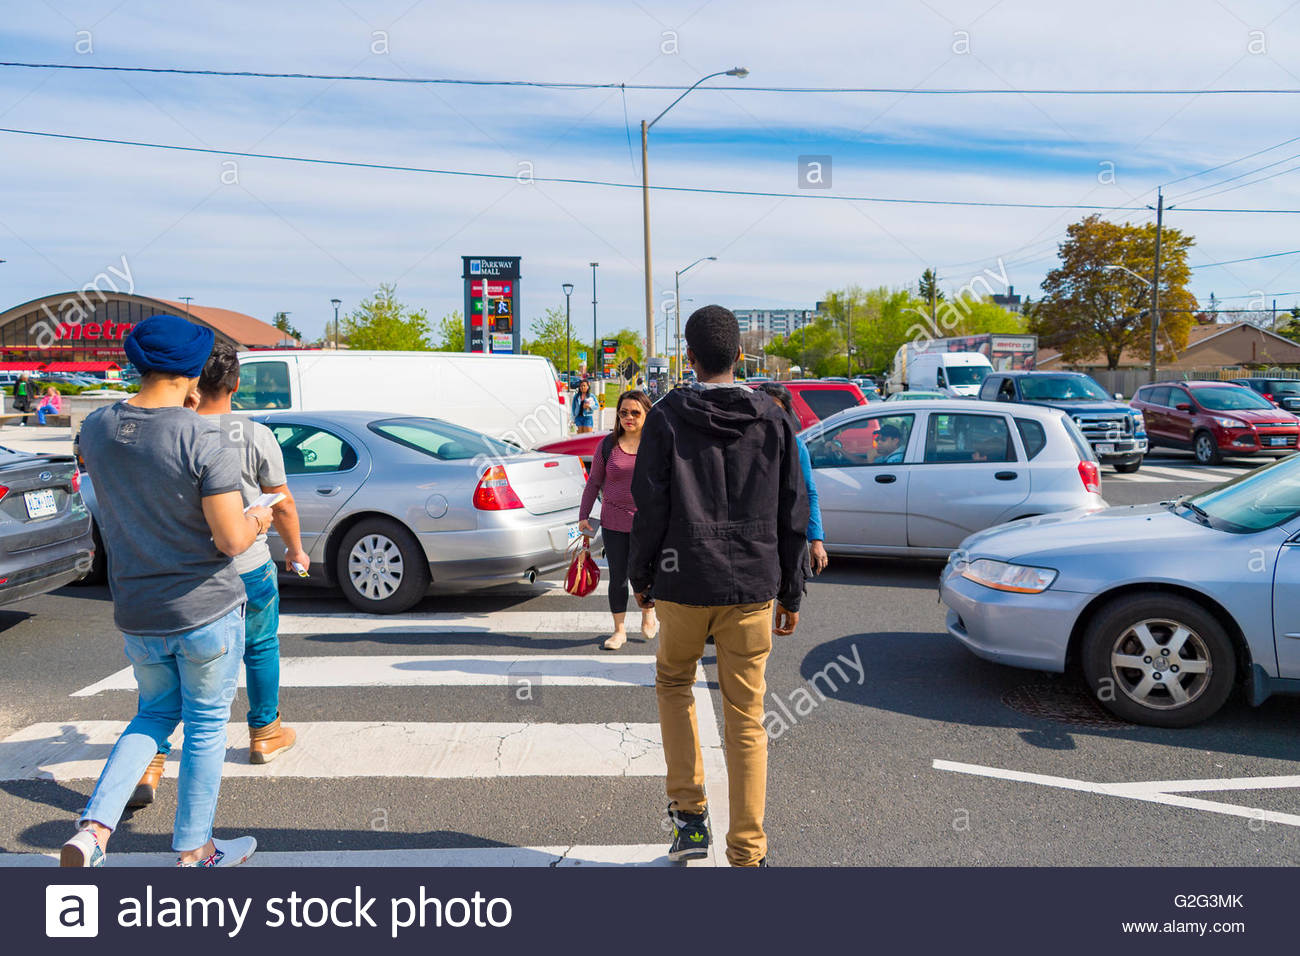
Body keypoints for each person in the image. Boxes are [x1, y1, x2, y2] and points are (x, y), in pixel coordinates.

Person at [62, 314, 272, 868]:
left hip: (136, 607)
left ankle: (94, 829)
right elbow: (230, 540)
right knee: (204, 724)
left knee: (153, 714)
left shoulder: (98, 428)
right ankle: (195, 848)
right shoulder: (204, 438)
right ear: (193, 372)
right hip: (204, 608)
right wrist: (259, 520)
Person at [629, 304, 808, 867]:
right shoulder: (774, 419)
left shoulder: (665, 416)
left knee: (674, 684)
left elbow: (648, 507)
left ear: (690, 356)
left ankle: (689, 818)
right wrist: (792, 591)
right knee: (746, 717)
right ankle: (748, 851)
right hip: (753, 583)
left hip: (684, 580)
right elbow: (792, 511)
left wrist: (641, 579)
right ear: (738, 355)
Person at [128, 344, 311, 812]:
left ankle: (150, 759)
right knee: (262, 646)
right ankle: (264, 733)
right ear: (235, 386)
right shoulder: (254, 434)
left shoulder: (168, 430)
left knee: (166, 669)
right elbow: (282, 501)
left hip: (181, 572)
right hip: (247, 564)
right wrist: (294, 549)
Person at [577, 389, 658, 650]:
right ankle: (619, 630)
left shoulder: (656, 445)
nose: (629, 417)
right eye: (623, 412)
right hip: (613, 522)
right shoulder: (608, 445)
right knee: (619, 577)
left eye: (635, 412)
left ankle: (648, 611)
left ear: (647, 414)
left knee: (646, 574)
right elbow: (593, 483)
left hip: (648, 523)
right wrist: (584, 517)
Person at [756, 382, 828, 575]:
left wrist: (816, 540)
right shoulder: (744, 444)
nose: (770, 414)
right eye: (764, 407)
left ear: (786, 412)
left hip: (788, 536)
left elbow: (808, 493)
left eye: (776, 408)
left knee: (789, 598)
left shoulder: (796, 446)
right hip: (754, 540)